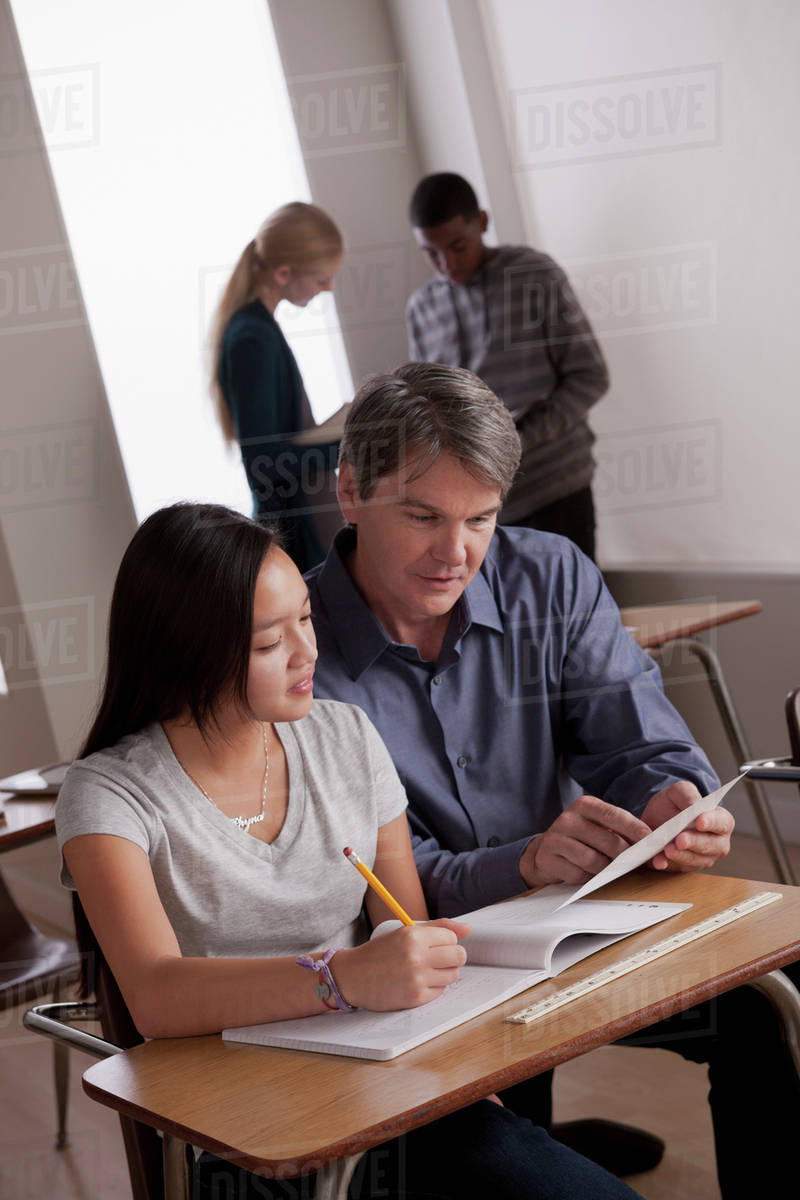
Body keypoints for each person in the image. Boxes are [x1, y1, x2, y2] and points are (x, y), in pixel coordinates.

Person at [306, 362, 800, 1199]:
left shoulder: (551, 577)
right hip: (416, 970)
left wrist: (675, 797)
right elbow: (369, 891)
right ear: (351, 491)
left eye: (482, 519)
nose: (454, 552)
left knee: (759, 1016)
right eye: (423, 515)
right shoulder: (297, 655)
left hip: (573, 925)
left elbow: (642, 743)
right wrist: (524, 863)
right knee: (506, 1142)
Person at [56, 501, 644, 1200]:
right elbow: (154, 995)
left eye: (306, 619)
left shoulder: (346, 736)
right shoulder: (108, 794)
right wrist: (343, 977)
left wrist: (435, 1020)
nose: (309, 653)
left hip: (390, 1088)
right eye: (271, 642)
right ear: (187, 651)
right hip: (236, 1130)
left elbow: (407, 925)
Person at [405, 172, 607, 560]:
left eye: (458, 245)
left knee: (579, 618)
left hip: (558, 486)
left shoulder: (535, 274)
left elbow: (590, 376)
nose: (446, 263)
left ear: (482, 222)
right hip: (479, 512)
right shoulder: (421, 309)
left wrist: (518, 442)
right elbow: (428, 411)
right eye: (431, 253)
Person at [210, 202, 345, 572]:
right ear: (284, 272)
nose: (329, 288)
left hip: (299, 530)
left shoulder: (258, 329)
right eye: (321, 279)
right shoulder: (253, 338)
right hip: (295, 537)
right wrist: (345, 446)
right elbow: (263, 462)